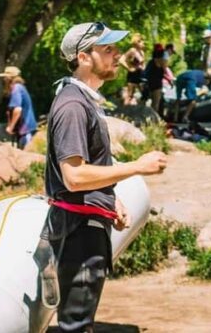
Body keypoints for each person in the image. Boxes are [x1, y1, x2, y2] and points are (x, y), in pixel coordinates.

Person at [38, 21, 168, 333]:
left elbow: (82, 170)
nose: (117, 54)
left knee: (80, 323)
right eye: (107, 49)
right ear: (83, 57)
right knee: (76, 326)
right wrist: (137, 166)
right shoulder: (72, 104)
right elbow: (73, 176)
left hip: (83, 225)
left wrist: (111, 197)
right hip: (77, 231)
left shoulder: (83, 100)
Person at [0, 66, 38, 149]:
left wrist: (10, 127)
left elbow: (17, 110)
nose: (4, 80)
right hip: (25, 130)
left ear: (9, 78)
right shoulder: (20, 88)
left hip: (25, 131)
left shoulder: (16, 89)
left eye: (5, 77)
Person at [120, 33, 146, 105]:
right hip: (133, 75)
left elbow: (143, 65)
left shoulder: (142, 52)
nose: (143, 42)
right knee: (130, 95)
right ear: (136, 42)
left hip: (140, 75)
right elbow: (121, 60)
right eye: (141, 41)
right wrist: (129, 68)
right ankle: (124, 113)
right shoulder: (132, 50)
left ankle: (139, 112)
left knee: (144, 94)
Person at [143, 44, 168, 116]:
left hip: (149, 83)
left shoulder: (150, 62)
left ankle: (145, 117)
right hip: (157, 84)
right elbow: (165, 71)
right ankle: (154, 121)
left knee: (145, 102)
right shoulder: (162, 61)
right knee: (155, 104)